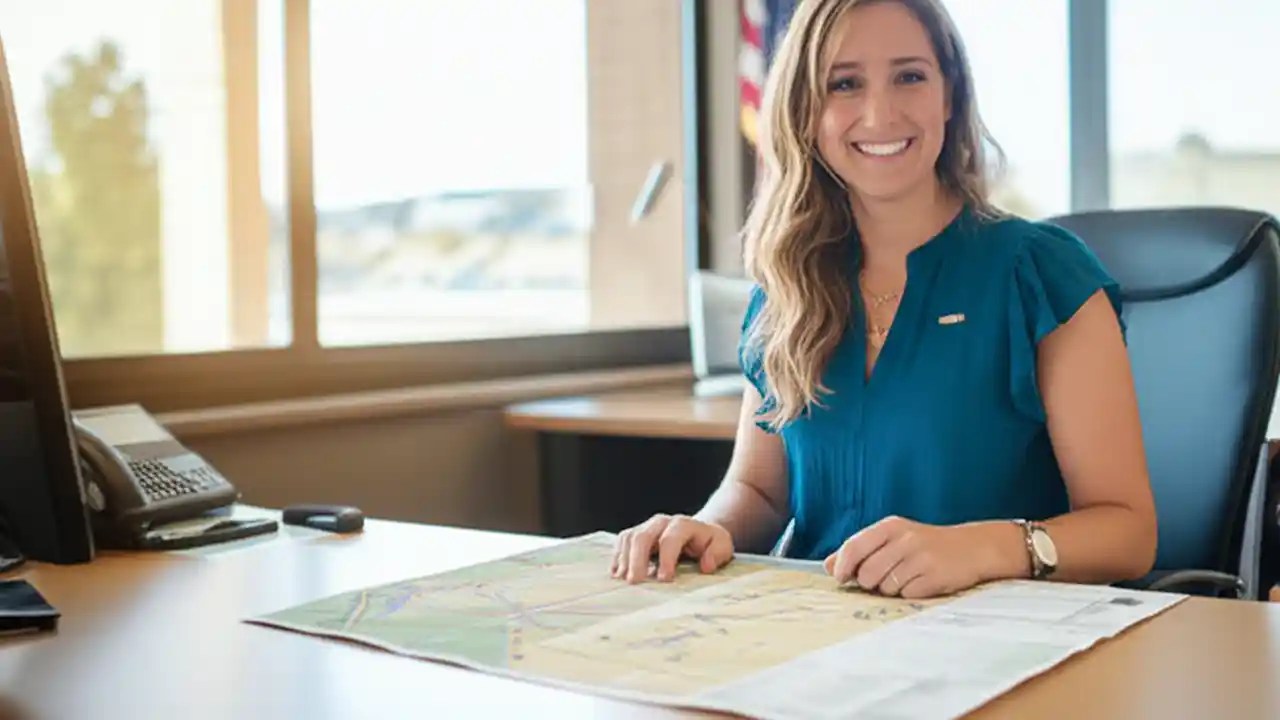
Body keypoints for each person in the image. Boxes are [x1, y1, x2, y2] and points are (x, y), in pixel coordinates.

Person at [609, 0, 1158, 599]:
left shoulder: (1042, 274)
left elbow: (1127, 532)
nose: (880, 112)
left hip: (999, 645)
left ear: (950, 96)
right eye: (844, 84)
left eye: (910, 76)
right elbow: (760, 492)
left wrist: (981, 549)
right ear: (808, 112)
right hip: (819, 645)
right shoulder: (787, 286)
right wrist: (706, 529)